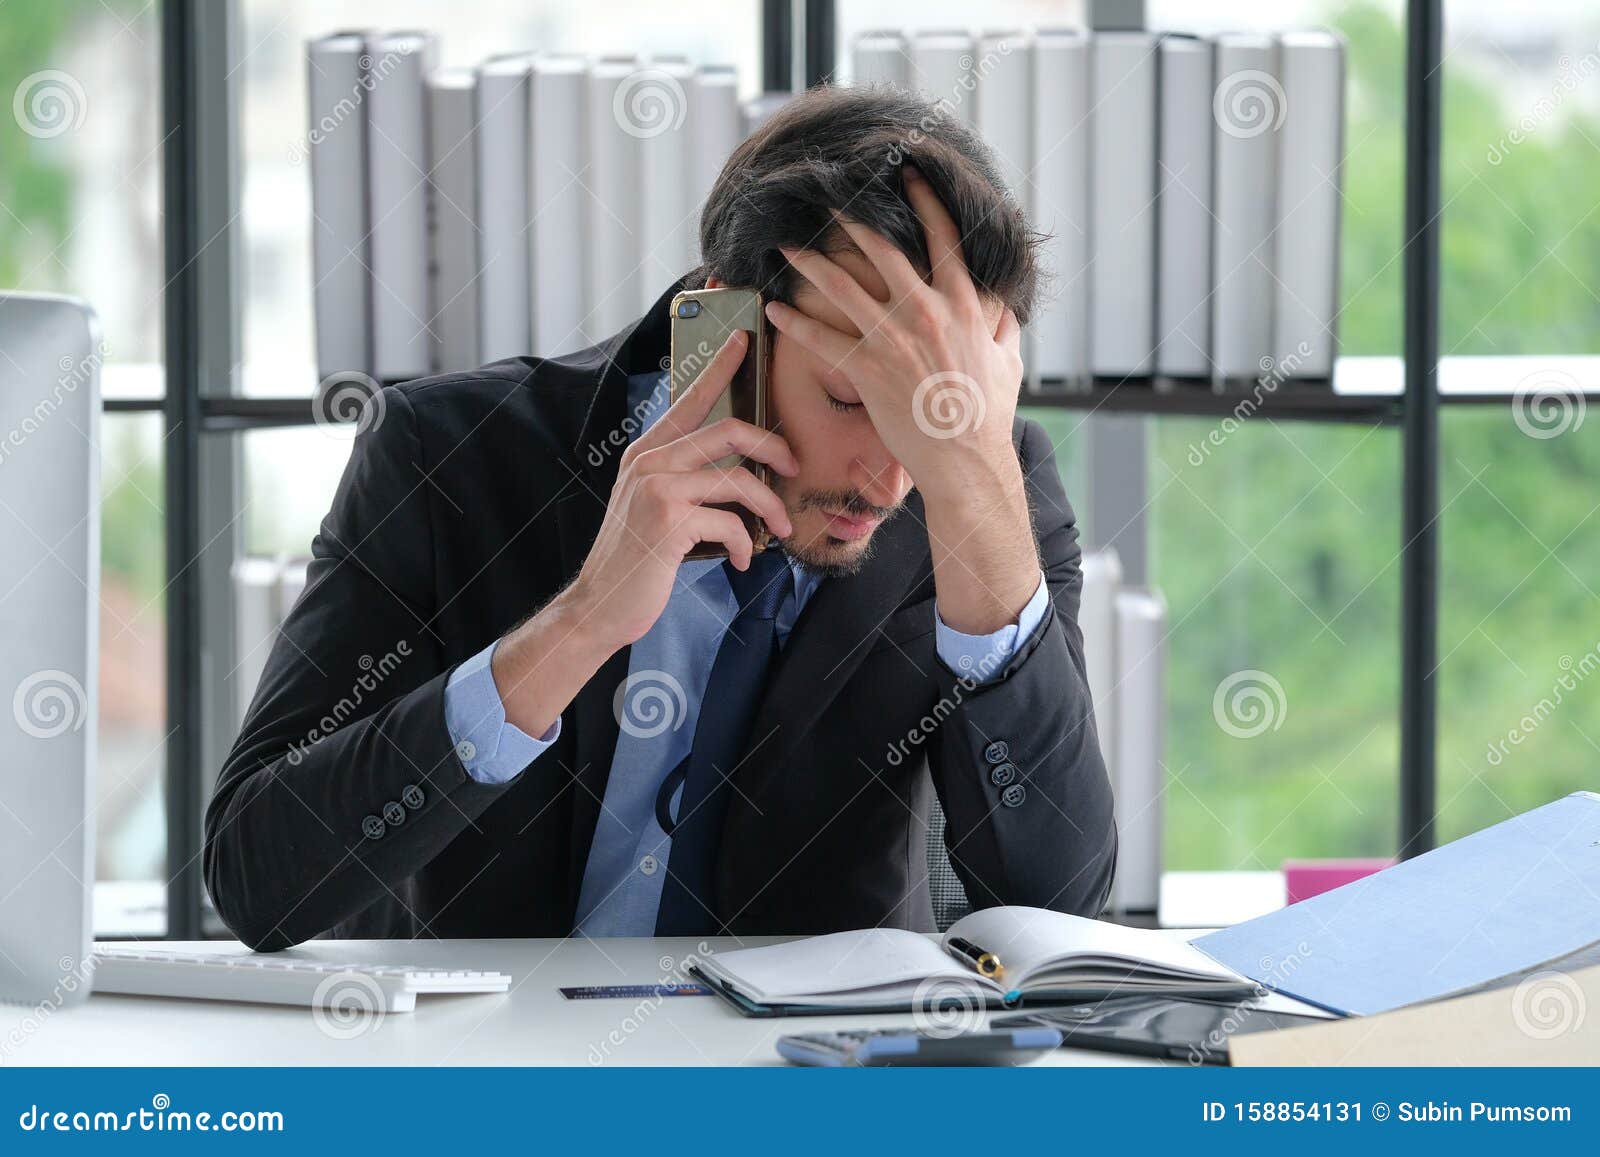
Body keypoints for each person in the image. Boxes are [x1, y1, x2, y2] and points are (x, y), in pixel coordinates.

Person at [204, 84, 1114, 950]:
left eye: (926, 414)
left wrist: (971, 491)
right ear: (720, 331)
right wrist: (585, 618)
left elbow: (1057, 908)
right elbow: (255, 877)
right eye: (849, 399)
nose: (888, 477)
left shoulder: (991, 485)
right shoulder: (444, 455)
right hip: (487, 1071)